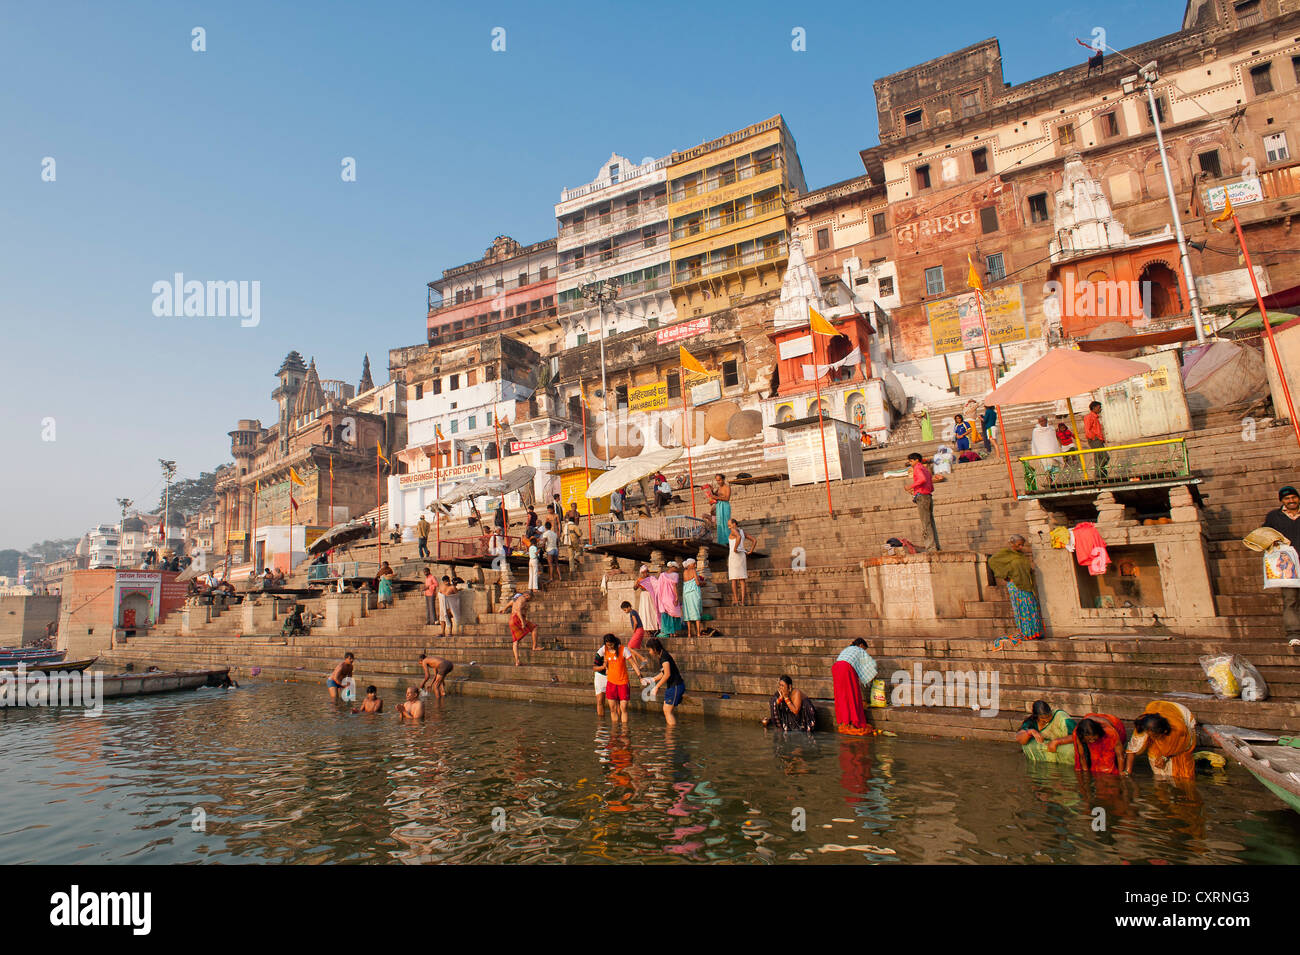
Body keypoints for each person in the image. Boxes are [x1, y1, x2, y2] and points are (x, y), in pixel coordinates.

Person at [988, 535, 1043, 645]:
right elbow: (992, 561)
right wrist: (1004, 575)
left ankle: (1034, 632)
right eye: (1019, 544)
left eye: (1022, 544)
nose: (1021, 546)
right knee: (1022, 608)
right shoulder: (1006, 553)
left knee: (1030, 607)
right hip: (1015, 585)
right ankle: (1026, 633)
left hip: (1026, 584)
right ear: (1012, 544)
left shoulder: (1020, 555)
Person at [1124, 701, 1197, 779]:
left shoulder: (1179, 730)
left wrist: (1165, 756)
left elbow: (1186, 746)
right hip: (1158, 711)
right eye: (1150, 735)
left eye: (1155, 736)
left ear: (1164, 732)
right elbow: (1132, 749)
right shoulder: (1143, 725)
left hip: (1181, 716)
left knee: (1183, 771)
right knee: (1154, 756)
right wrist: (1127, 771)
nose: (1152, 738)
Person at [1264, 485, 1300, 640]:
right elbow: (1263, 535)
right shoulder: (1274, 517)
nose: (1291, 501)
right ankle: (1294, 634)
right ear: (1282, 501)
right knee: (1290, 599)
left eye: (1294, 497)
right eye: (1287, 498)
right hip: (1288, 566)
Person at [1050, 713, 1126, 774]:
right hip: (1091, 728)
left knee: (1108, 761)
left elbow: (1120, 754)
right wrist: (1085, 773)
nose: (1092, 741)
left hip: (1115, 726)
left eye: (1094, 738)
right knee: (1095, 762)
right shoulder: (1078, 733)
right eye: (1089, 739)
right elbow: (1081, 755)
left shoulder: (1109, 731)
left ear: (1098, 733)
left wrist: (1121, 772)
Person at [832, 638, 877, 733]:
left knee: (842, 696)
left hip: (836, 668)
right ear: (861, 645)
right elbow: (870, 664)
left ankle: (845, 722)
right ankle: (854, 722)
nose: (864, 651)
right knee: (852, 695)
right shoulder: (859, 649)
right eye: (864, 649)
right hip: (846, 668)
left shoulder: (846, 649)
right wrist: (873, 675)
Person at [597, 633, 642, 724]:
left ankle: (624, 731)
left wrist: (640, 676)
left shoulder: (623, 650)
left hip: (623, 683)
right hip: (611, 683)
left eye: (611, 645)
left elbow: (633, 664)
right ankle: (615, 731)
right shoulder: (605, 649)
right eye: (607, 645)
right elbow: (601, 658)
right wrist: (605, 667)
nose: (609, 647)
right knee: (612, 709)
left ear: (614, 642)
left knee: (623, 708)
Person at [645, 637, 685, 725]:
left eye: (650, 650)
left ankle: (671, 735)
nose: (649, 652)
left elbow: (667, 674)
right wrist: (653, 679)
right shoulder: (662, 656)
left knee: (667, 711)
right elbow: (663, 673)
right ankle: (671, 733)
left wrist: (657, 687)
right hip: (672, 686)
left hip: (676, 686)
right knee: (666, 710)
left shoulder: (664, 657)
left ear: (655, 649)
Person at [906, 452, 939, 551]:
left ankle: (931, 547)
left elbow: (922, 480)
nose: (910, 463)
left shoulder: (917, 468)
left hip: (922, 497)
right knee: (931, 522)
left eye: (911, 461)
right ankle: (936, 546)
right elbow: (931, 487)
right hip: (928, 496)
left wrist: (910, 487)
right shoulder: (926, 469)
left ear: (916, 460)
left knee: (926, 523)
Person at [509, 591, 540, 665]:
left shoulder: (516, 598)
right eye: (530, 598)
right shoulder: (522, 599)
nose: (530, 600)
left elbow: (510, 603)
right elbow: (519, 610)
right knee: (534, 627)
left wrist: (504, 609)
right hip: (517, 619)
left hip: (511, 620)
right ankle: (534, 647)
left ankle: (517, 661)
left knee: (516, 641)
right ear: (526, 595)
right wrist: (522, 622)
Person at [657, 561, 683, 636]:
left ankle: (669, 632)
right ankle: (674, 632)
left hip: (664, 597)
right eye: (676, 568)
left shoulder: (662, 575)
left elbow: (659, 588)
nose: (677, 570)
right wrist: (677, 597)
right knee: (674, 613)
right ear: (672, 567)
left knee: (667, 614)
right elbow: (675, 587)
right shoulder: (675, 575)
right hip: (671, 596)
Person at [1083, 400, 1109, 476]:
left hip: (1098, 439)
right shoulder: (1089, 417)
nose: (1100, 409)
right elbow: (1087, 430)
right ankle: (1099, 472)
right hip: (1094, 440)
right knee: (1105, 457)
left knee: (1098, 458)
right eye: (1099, 407)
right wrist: (1094, 438)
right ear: (1094, 408)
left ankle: (1100, 475)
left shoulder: (1095, 417)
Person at [727, 518, 749, 606]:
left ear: (734, 524)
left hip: (734, 555)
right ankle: (743, 601)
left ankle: (736, 600)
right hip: (742, 555)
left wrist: (735, 548)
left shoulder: (733, 530)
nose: (729, 527)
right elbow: (754, 540)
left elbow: (738, 537)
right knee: (742, 579)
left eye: (729, 525)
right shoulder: (742, 531)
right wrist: (750, 550)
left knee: (734, 579)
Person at [635, 565, 661, 637]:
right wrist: (637, 585)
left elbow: (656, 586)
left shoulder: (651, 578)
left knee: (652, 611)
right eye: (643, 573)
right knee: (645, 612)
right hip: (644, 596)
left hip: (651, 595)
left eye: (646, 572)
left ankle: (655, 628)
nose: (645, 574)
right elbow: (634, 588)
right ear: (641, 573)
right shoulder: (640, 579)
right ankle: (647, 630)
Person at [681, 558, 703, 638]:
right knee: (696, 611)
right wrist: (703, 583)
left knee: (687, 613)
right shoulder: (693, 571)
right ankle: (698, 633)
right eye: (694, 564)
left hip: (686, 595)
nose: (695, 565)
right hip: (693, 594)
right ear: (690, 565)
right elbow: (697, 583)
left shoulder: (684, 572)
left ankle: (689, 633)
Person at [712, 474, 732, 547]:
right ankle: (722, 541)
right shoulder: (718, 488)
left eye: (719, 480)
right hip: (719, 506)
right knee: (720, 523)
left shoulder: (727, 487)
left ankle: (728, 540)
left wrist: (717, 498)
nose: (718, 482)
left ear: (723, 479)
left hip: (725, 506)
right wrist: (711, 491)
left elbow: (727, 498)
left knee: (726, 522)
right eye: (717, 480)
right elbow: (716, 496)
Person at [592, 642, 608, 716]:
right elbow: (594, 667)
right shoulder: (600, 652)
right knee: (600, 700)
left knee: (616, 701)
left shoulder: (617, 651)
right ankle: (601, 724)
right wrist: (603, 667)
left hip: (613, 676)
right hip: (600, 676)